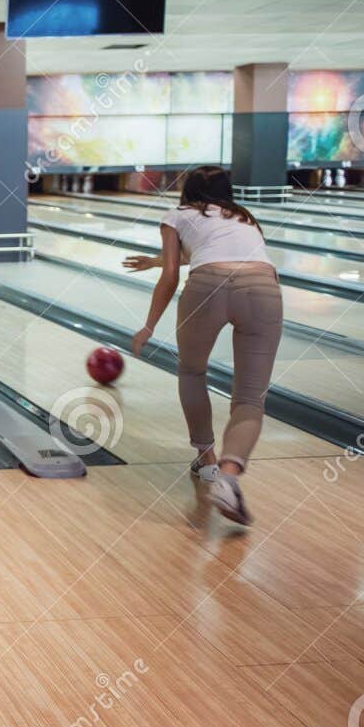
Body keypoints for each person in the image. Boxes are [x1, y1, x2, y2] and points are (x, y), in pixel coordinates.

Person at [124, 165, 283, 526]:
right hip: (262, 288)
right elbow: (215, 247)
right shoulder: (245, 218)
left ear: (186, 191)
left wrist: (148, 325)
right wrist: (155, 260)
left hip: (206, 288)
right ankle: (228, 478)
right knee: (249, 398)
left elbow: (173, 273)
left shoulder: (175, 215)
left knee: (192, 371)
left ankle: (207, 460)